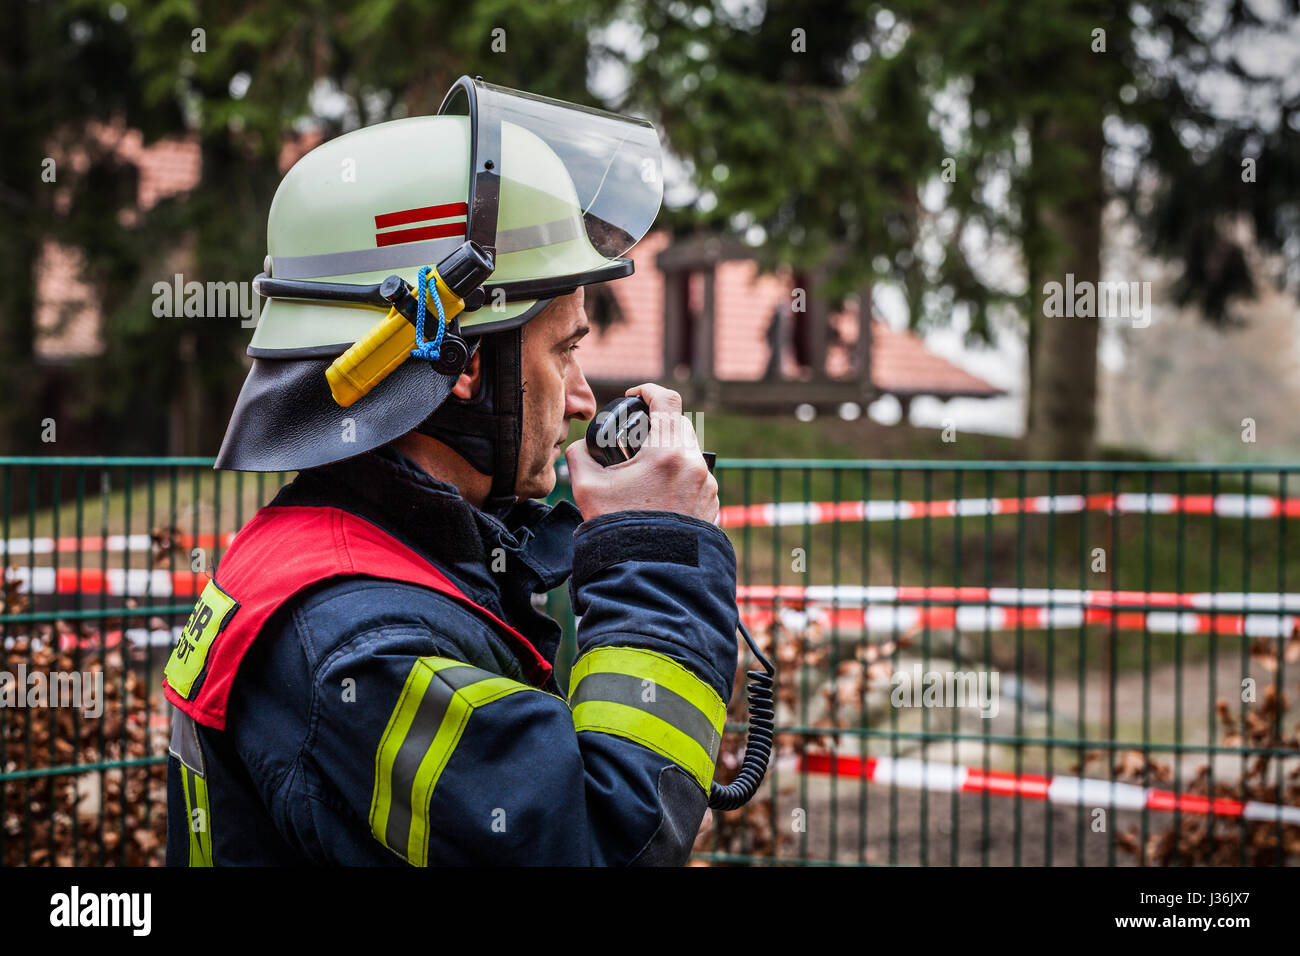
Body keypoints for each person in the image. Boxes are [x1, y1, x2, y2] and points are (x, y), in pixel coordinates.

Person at [162, 77, 739, 866]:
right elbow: (603, 846)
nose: (581, 400)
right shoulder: (365, 648)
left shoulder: (363, 560)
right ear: (463, 365)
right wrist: (656, 552)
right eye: (564, 350)